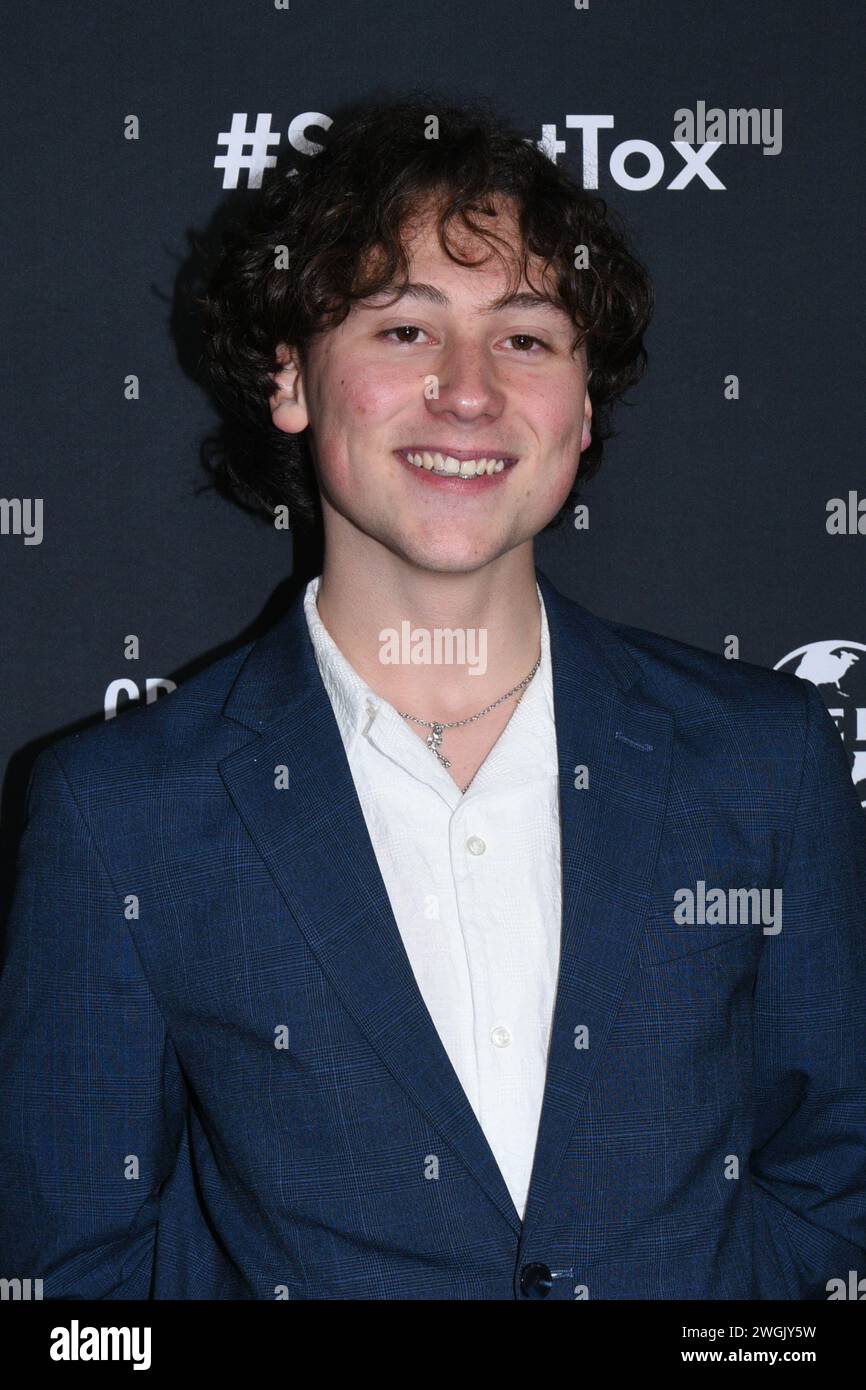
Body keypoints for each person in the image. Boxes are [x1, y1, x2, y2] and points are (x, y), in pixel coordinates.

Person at [1, 96, 864, 1301]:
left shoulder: (760, 761)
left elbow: (833, 1196)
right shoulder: (120, 814)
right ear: (291, 378)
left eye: (524, 337)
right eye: (404, 331)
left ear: (582, 404)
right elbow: (74, 1293)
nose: (467, 392)